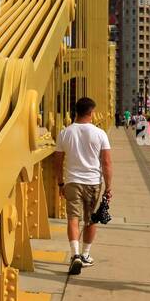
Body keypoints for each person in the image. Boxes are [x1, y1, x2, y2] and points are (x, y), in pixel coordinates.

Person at [53, 96, 112, 276]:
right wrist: (108, 187)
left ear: (76, 112)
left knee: (73, 218)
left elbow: (58, 160)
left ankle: (75, 254)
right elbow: (107, 163)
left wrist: (60, 182)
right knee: (91, 219)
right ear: (91, 113)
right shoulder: (100, 133)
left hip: (72, 181)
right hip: (93, 182)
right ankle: (86, 254)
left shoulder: (65, 133)